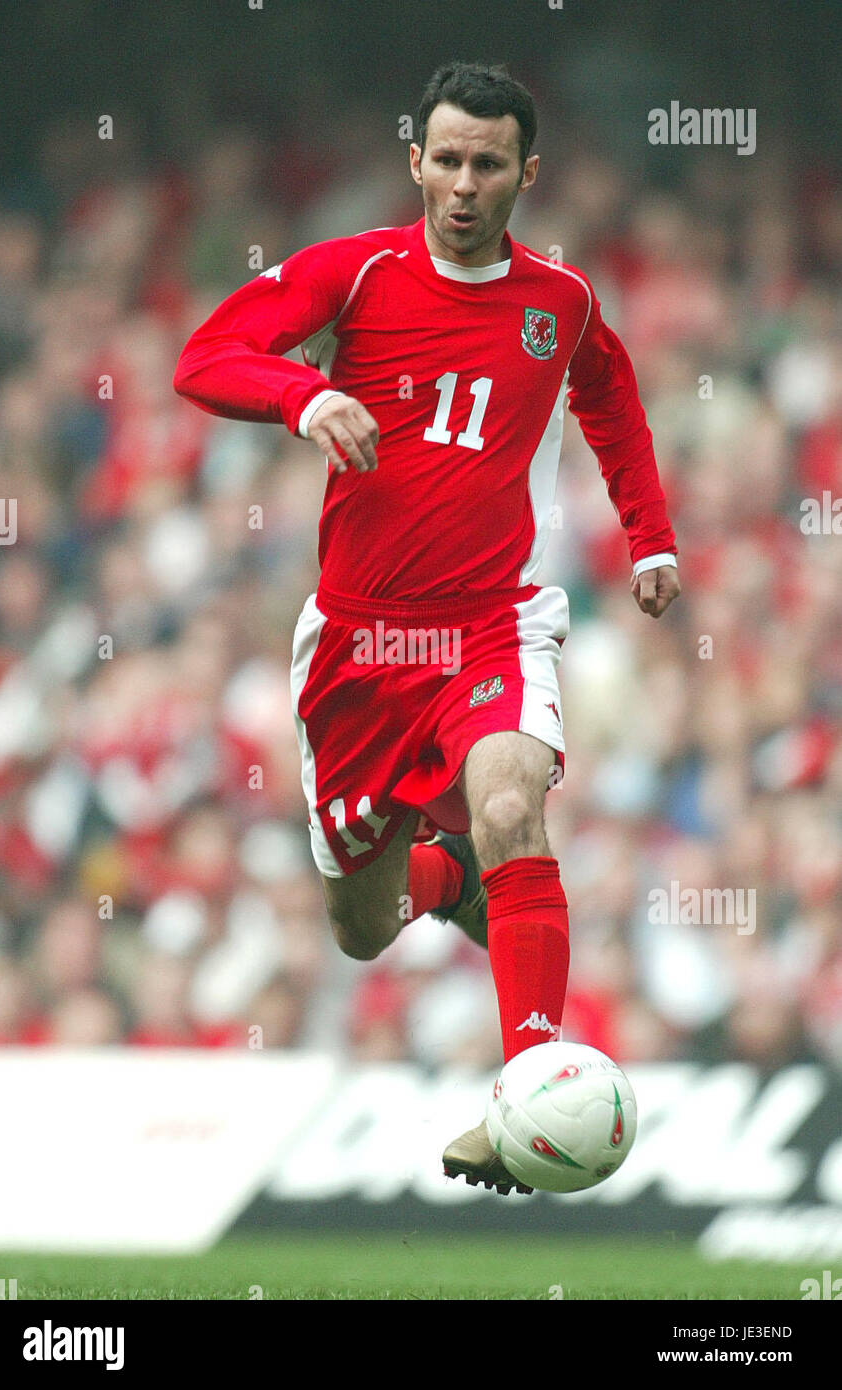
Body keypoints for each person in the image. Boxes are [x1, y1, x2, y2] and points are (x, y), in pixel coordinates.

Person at [174, 60, 680, 1194]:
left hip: (491, 625)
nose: (462, 183)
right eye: (444, 160)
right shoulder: (351, 274)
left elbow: (609, 393)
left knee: (510, 802)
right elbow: (203, 357)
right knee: (359, 925)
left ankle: (529, 1080)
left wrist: (648, 538)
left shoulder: (560, 300)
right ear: (416, 162)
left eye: (486, 163)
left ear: (523, 174)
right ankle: (444, 881)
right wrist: (302, 396)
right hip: (357, 645)